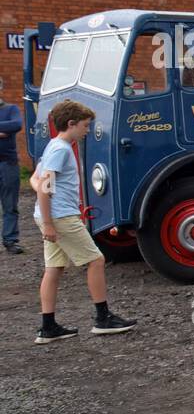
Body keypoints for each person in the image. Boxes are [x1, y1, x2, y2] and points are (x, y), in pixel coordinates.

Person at [31, 100, 136, 344]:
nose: (88, 130)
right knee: (96, 260)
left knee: (54, 268)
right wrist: (48, 223)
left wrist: (44, 215)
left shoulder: (53, 146)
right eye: (85, 125)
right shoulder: (61, 150)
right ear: (71, 124)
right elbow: (44, 188)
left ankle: (47, 327)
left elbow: (36, 181)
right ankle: (103, 319)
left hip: (50, 215)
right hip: (61, 217)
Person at [0, 78, 22, 254]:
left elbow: (16, 124)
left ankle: (10, 240)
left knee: (10, 205)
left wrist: (7, 129)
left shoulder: (11, 109)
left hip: (8, 164)